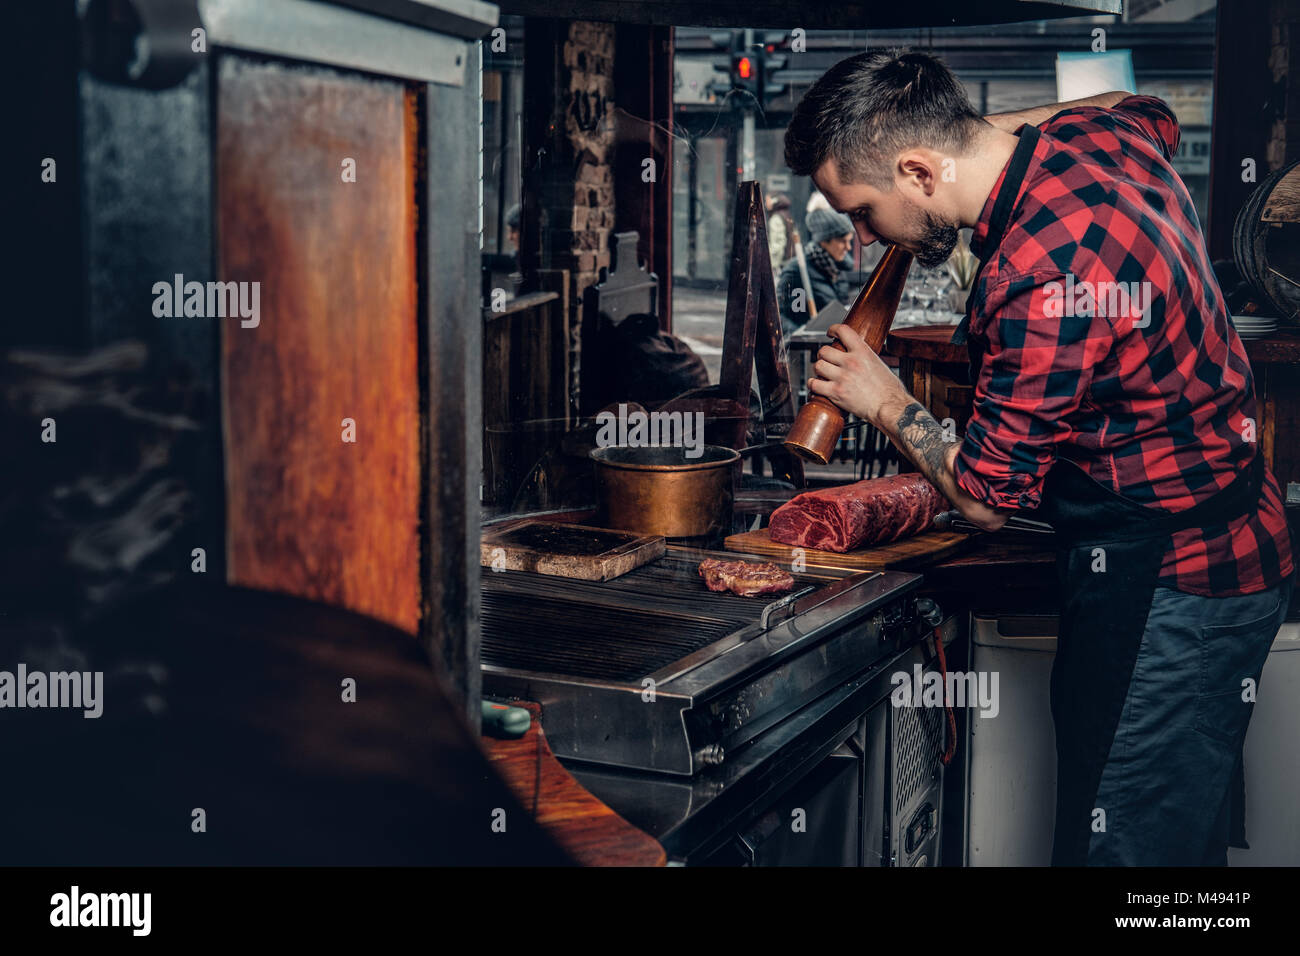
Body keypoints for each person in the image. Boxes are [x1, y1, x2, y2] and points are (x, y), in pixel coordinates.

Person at [784, 49, 1295, 866]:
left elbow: (986, 495)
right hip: (1228, 549)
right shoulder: (1103, 134)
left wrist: (881, 399)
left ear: (919, 170)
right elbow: (1146, 103)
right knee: (1173, 844)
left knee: (1121, 853)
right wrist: (985, 131)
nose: (861, 235)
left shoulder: (1042, 272)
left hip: (1173, 584)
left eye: (864, 211)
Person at [776, 207, 856, 340]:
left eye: (849, 241)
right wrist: (802, 336)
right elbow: (779, 316)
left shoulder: (836, 268)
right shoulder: (797, 271)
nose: (848, 247)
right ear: (824, 241)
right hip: (807, 349)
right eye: (843, 241)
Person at [766, 193, 797, 267]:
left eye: (767, 200)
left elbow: (777, 243)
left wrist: (773, 266)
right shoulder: (787, 215)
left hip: (781, 263)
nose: (765, 203)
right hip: (790, 260)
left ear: (774, 202)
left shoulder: (776, 218)